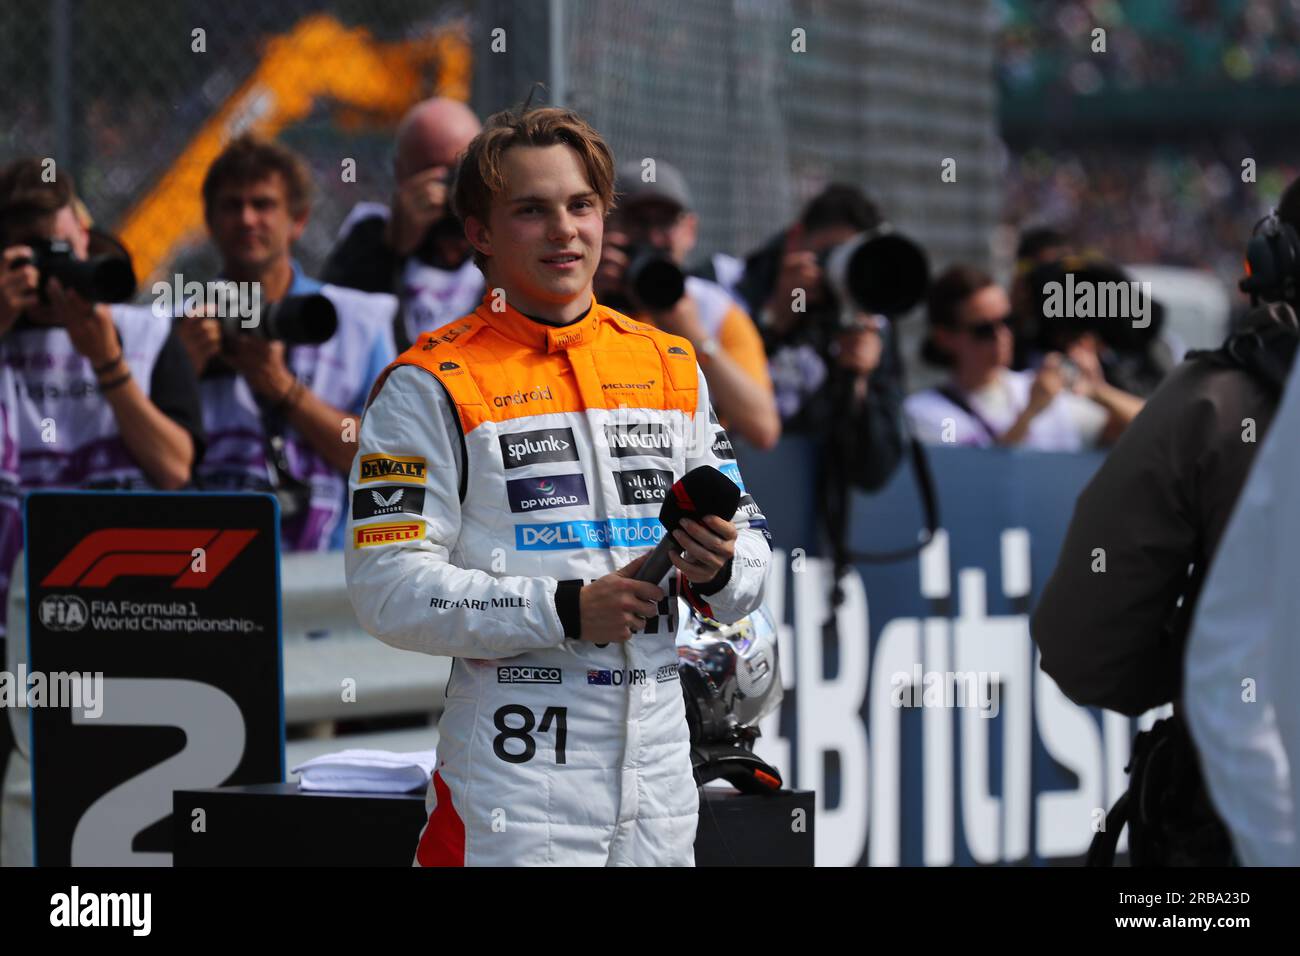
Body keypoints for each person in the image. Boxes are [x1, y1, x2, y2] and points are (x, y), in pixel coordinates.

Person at [345, 106, 771, 866]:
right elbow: (388, 588)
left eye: (580, 205)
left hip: (660, 780)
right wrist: (567, 608)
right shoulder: (429, 382)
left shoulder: (670, 365)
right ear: (478, 232)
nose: (564, 231)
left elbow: (753, 557)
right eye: (531, 211)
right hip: (512, 791)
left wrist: (724, 566)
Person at [1031, 185, 1300, 863]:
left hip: (1239, 815)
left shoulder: (1216, 403)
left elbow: (1084, 646)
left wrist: (1197, 675)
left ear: (1275, 260)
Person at [179, 135, 396, 550]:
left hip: (327, 579)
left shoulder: (357, 320)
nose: (246, 219)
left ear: (298, 220)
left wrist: (285, 390)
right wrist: (181, 371)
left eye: (263, 204)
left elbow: (386, 462)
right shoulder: (181, 324)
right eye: (231, 205)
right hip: (207, 574)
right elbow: (140, 463)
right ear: (208, 221)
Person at [593, 160, 780, 449]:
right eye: (638, 222)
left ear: (690, 231)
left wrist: (696, 339)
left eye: (666, 222)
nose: (653, 238)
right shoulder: (578, 300)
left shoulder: (711, 310)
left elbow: (763, 429)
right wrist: (588, 297)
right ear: (603, 228)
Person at [736, 184, 905, 491]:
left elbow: (874, 472)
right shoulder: (735, 288)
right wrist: (773, 321)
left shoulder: (869, 321)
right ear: (796, 238)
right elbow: (711, 407)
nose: (836, 270)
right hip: (738, 497)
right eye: (828, 254)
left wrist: (859, 383)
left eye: (851, 258)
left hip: (818, 519)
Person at [904, 264, 1140, 450]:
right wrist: (1029, 414)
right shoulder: (928, 414)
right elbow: (974, 481)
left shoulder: (1040, 389)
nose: (1002, 336)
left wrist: (1097, 391)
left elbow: (1150, 430)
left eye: (1007, 322)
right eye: (984, 330)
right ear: (945, 337)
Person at [323, 97, 484, 352]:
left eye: (457, 170)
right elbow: (335, 324)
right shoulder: (372, 230)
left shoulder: (501, 235)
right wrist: (391, 248)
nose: (446, 187)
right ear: (401, 172)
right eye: (431, 172)